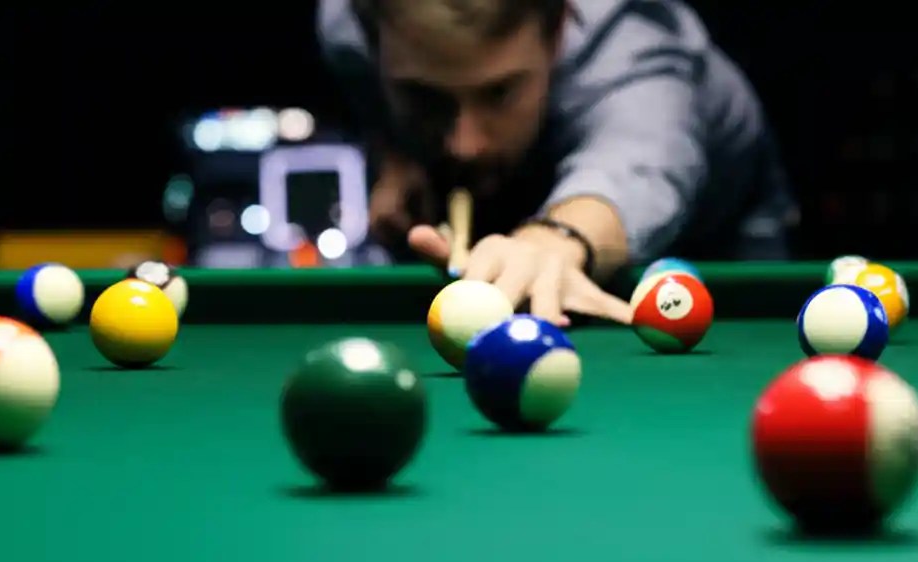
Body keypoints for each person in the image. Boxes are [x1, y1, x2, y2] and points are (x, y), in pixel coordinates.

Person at [316, 0, 796, 326]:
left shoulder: (630, 50)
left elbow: (641, 161)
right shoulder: (347, 27)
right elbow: (367, 90)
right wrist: (397, 157)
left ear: (558, 33)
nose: (465, 146)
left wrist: (556, 239)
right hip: (520, 209)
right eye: (424, 97)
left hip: (718, 245)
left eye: (500, 92)